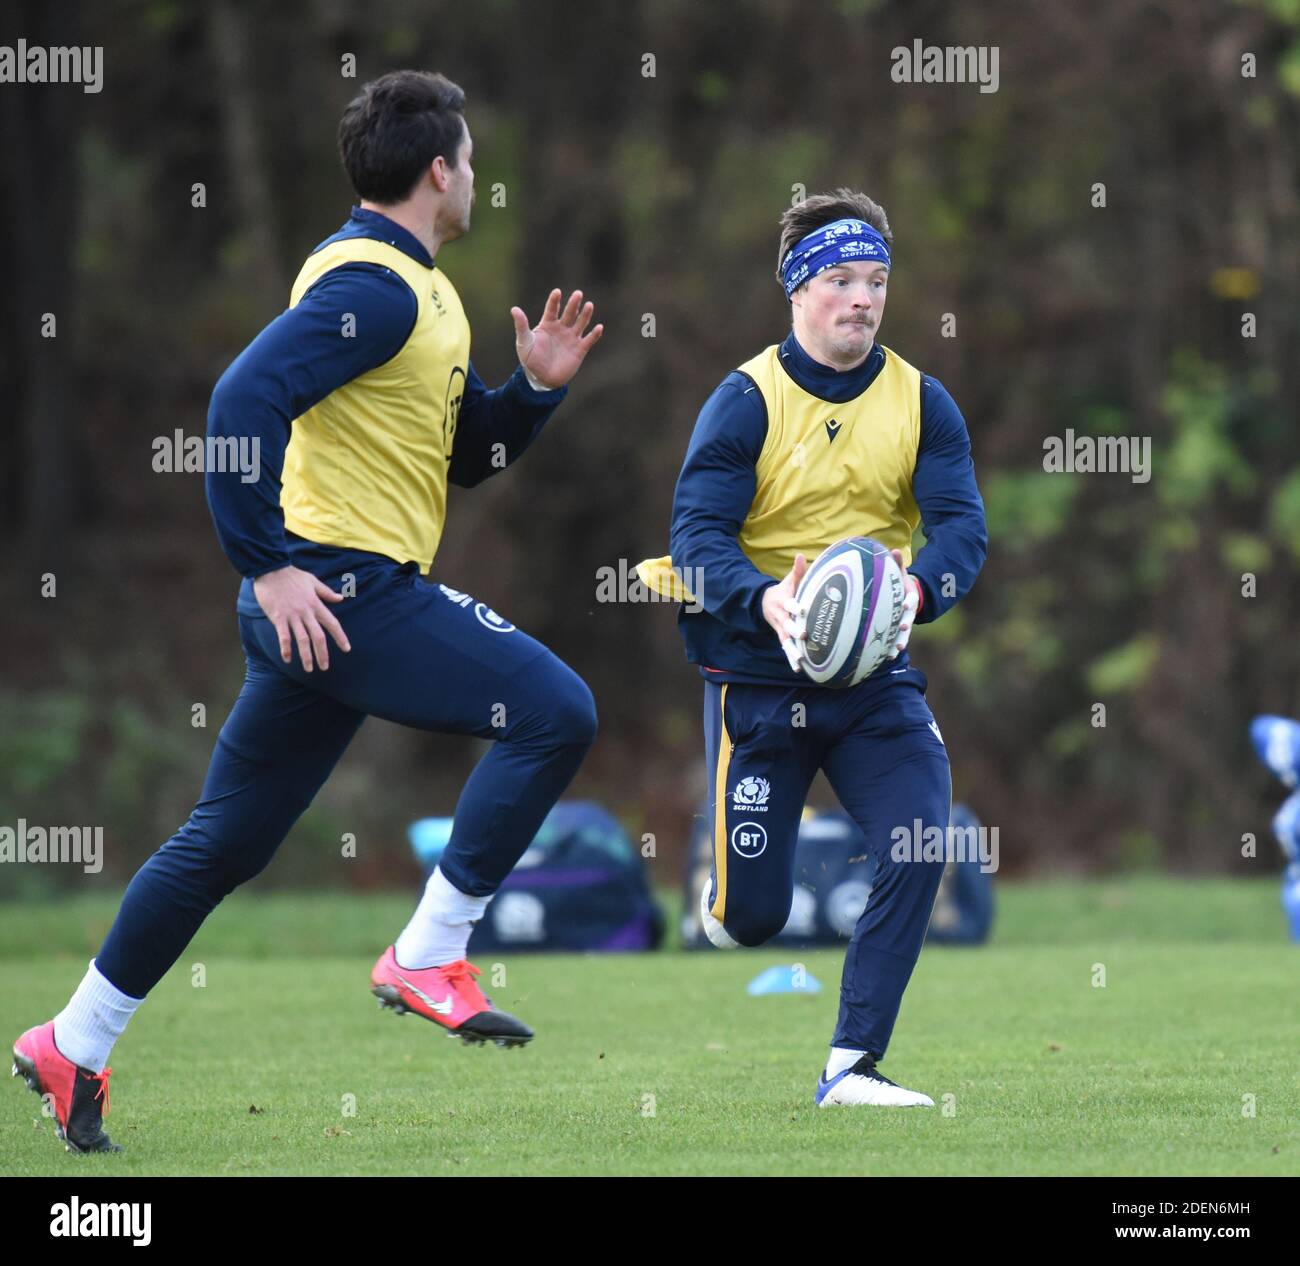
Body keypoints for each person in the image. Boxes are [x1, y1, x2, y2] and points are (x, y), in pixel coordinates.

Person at [12, 69, 603, 1153]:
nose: (478, 177)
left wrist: (534, 393)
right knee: (556, 711)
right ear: (439, 170)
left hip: (327, 607)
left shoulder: (416, 292)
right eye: (470, 160)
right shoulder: (375, 287)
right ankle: (427, 956)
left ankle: (73, 1041)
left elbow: (467, 457)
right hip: (343, 592)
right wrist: (267, 565)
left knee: (221, 843)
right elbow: (239, 403)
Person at [638, 189, 986, 1107]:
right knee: (754, 920)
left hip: (876, 683)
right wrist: (766, 603)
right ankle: (731, 903)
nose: (862, 299)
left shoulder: (922, 401)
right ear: (797, 292)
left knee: (918, 843)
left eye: (876, 280)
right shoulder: (746, 400)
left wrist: (915, 589)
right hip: (757, 680)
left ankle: (851, 1068)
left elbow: (963, 531)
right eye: (840, 280)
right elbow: (695, 539)